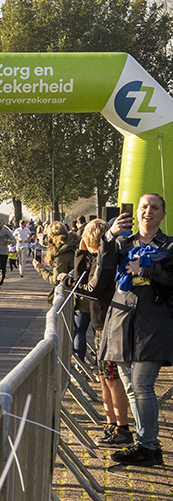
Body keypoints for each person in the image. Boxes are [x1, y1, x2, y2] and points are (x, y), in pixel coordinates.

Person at [98, 193, 172, 467]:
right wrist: (108, 237)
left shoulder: (170, 246)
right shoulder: (121, 242)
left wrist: (148, 268)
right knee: (130, 385)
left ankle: (149, 445)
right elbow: (102, 275)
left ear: (163, 214)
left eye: (154, 208)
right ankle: (144, 443)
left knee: (142, 384)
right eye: (143, 207)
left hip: (153, 322)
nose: (147, 212)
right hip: (121, 319)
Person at [75, 219, 129, 445]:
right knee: (105, 377)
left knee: (112, 378)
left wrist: (72, 281)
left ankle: (122, 427)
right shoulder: (100, 258)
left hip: (109, 326)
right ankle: (112, 424)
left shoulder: (106, 260)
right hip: (102, 326)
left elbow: (92, 288)